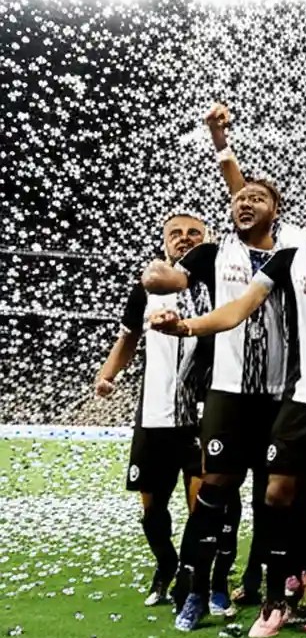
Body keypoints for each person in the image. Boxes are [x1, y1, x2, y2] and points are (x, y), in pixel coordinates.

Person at [142, 106, 306, 632]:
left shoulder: (295, 250)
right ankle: (195, 590)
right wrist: (161, 286)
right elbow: (164, 276)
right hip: (230, 393)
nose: (245, 205)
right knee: (215, 488)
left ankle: (271, 590)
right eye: (238, 201)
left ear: (277, 209)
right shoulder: (214, 252)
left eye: (258, 200)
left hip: (284, 394)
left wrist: (224, 146)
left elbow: (248, 192)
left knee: (277, 495)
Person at [95, 213, 211, 608]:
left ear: (206, 240)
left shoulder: (217, 283)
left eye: (193, 233)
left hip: (201, 412)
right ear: (163, 243)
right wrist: (108, 375)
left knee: (203, 504)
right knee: (151, 508)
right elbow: (127, 339)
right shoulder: (145, 290)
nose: (184, 239)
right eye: (175, 234)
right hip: (155, 414)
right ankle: (167, 564)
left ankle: (199, 579)